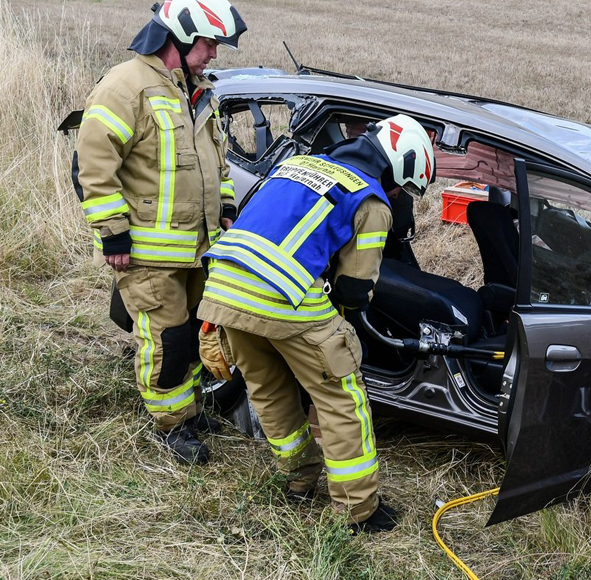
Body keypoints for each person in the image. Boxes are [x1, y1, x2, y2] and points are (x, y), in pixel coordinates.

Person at [197, 114, 436, 533]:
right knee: (343, 399)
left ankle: (297, 480)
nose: (398, 195)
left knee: (268, 389)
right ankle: (359, 511)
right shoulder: (372, 201)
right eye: (403, 187)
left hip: (223, 287)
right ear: (397, 165)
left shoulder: (298, 164)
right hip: (283, 293)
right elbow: (354, 291)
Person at [73, 0, 247, 464]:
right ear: (181, 37)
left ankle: (187, 410)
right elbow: (92, 165)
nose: (214, 54)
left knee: (188, 334)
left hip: (197, 248)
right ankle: (170, 425)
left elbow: (218, 163)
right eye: (210, 43)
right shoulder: (126, 85)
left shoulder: (195, 91)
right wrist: (113, 234)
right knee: (167, 340)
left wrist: (226, 206)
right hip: (147, 253)